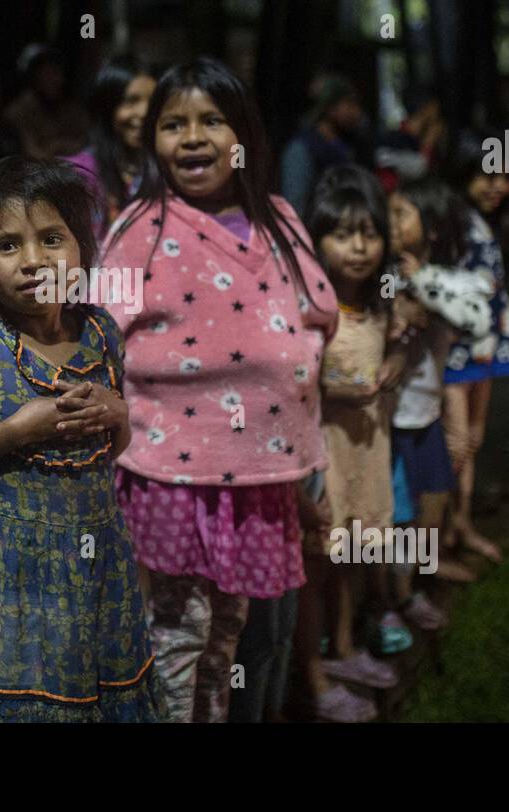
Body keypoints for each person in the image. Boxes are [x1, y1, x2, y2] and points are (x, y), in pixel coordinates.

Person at [100, 57, 338, 723]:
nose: (193, 136)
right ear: (153, 142)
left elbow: (320, 313)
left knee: (228, 633)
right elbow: (99, 331)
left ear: (244, 137)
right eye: (173, 124)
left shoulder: (281, 219)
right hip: (173, 471)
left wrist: (289, 379)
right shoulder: (140, 229)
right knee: (178, 635)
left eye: (212, 120)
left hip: (262, 475)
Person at [0, 157, 163, 722]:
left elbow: (108, 450)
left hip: (101, 564)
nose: (33, 261)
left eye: (52, 238)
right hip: (11, 573)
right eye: (6, 245)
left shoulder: (100, 332)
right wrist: (14, 431)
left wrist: (118, 412)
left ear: (82, 245)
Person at [304, 164, 421, 721]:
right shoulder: (313, 312)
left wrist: (396, 361)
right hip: (323, 453)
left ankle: (346, 646)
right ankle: (313, 672)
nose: (358, 248)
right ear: (318, 238)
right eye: (343, 234)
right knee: (316, 565)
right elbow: (294, 378)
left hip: (367, 451)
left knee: (350, 555)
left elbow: (403, 343)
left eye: (369, 234)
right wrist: (335, 386)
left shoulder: (379, 304)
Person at [387, 179, 493, 584]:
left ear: (431, 228)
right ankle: (396, 594)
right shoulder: (384, 272)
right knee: (399, 512)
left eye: (401, 214)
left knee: (434, 496)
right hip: (394, 416)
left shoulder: (450, 279)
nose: (390, 222)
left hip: (427, 412)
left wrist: (425, 283)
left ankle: (424, 573)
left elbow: (477, 319)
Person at [442, 153, 509, 564]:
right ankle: (437, 537)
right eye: (487, 174)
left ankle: (459, 525)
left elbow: (490, 287)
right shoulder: (450, 219)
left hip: (484, 343)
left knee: (473, 441)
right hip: (454, 348)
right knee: (457, 443)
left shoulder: (490, 222)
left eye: (504, 177)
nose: (496, 185)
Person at [62, 54, 157, 232]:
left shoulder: (167, 169)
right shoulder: (79, 175)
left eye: (152, 102)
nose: (145, 112)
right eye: (131, 101)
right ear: (107, 108)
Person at [278, 74, 364, 216]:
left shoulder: (346, 145)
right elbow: (295, 209)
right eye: (349, 104)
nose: (356, 112)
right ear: (331, 108)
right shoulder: (302, 150)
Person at [2, 44, 90, 159]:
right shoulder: (18, 112)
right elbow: (32, 154)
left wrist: (58, 145)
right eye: (49, 74)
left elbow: (88, 141)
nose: (57, 80)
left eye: (59, 73)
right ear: (33, 77)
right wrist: (57, 146)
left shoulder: (71, 107)